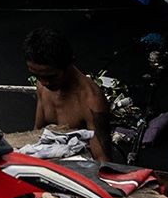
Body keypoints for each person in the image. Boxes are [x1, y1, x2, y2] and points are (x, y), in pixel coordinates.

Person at [25, 28, 112, 164]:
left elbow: (103, 161)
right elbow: (38, 133)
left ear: (70, 63)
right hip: (50, 162)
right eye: (37, 76)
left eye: (51, 76)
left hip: (79, 171)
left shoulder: (91, 101)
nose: (43, 82)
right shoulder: (43, 83)